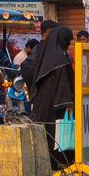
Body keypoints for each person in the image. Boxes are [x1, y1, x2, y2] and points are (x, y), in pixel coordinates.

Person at [29, 25, 75, 168]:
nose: (68, 43)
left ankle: (47, 161)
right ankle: (59, 162)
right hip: (56, 102)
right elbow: (63, 83)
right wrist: (68, 103)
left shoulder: (46, 54)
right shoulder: (60, 58)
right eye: (67, 40)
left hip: (42, 102)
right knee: (57, 131)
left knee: (46, 131)